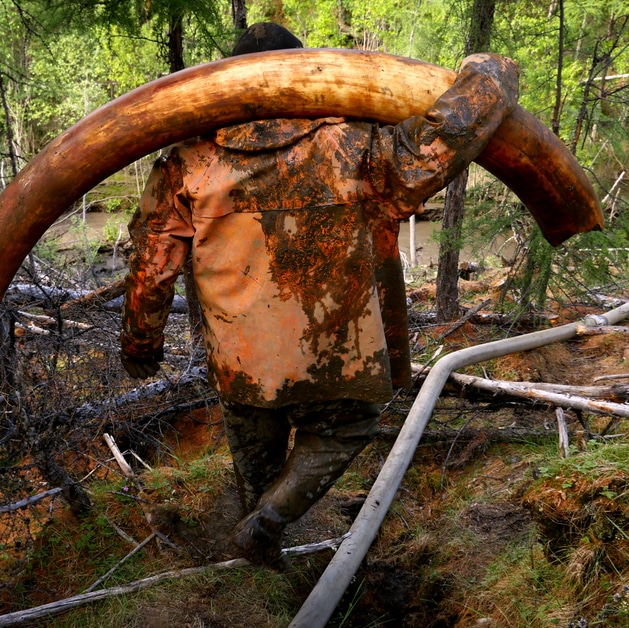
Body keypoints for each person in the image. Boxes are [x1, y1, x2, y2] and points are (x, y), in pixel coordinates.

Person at [119, 22, 519, 567]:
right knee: (345, 427)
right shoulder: (354, 143)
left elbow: (152, 264)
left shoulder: (188, 161)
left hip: (242, 358)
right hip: (336, 349)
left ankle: (258, 544)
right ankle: (266, 525)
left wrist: (141, 343)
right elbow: (442, 140)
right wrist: (490, 77)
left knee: (254, 450)